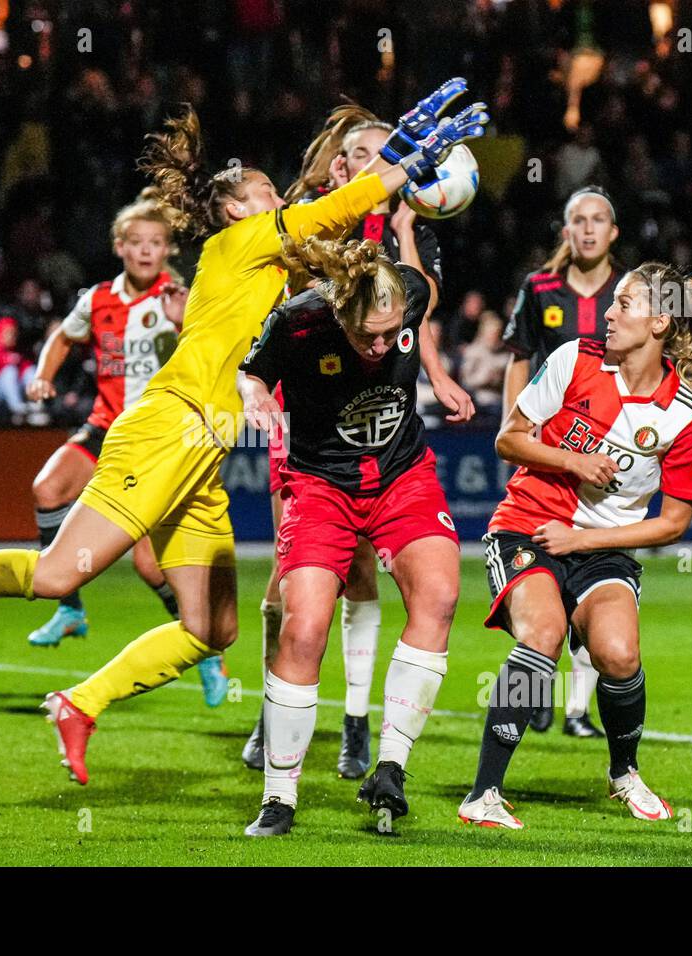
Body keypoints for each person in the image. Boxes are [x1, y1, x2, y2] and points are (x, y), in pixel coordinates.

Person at [0, 79, 489, 787]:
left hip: (204, 455)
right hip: (169, 429)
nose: (281, 202)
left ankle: (82, 703)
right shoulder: (240, 243)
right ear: (236, 209)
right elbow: (338, 205)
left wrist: (393, 175)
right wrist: (405, 159)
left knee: (211, 628)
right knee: (55, 577)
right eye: (267, 193)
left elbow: (368, 265)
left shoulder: (277, 264)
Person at [458, 262, 692, 828]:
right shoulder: (574, 359)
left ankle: (623, 773)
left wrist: (586, 538)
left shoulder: (685, 416)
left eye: (625, 304)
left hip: (599, 546)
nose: (609, 312)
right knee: (544, 635)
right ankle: (483, 793)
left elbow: (672, 524)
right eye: (613, 302)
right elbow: (509, 438)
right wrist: (572, 460)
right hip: (528, 527)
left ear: (660, 321)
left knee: (620, 655)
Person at [241, 102, 471, 778]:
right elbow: (294, 309)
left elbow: (412, 313)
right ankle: (273, 708)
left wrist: (436, 371)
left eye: (391, 154)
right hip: (303, 408)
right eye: (373, 154)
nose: (387, 166)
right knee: (294, 581)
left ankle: (356, 724)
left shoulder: (410, 232)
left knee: (366, 571)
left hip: (374, 417)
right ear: (343, 167)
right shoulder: (309, 218)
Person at [21, 194, 232, 705]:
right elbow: (63, 338)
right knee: (47, 488)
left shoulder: (182, 299)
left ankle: (205, 647)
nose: (145, 251)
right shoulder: (97, 299)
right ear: (119, 247)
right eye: (136, 243)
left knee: (150, 567)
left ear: (167, 250)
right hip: (105, 426)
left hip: (157, 441)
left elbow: (215, 351)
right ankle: (71, 609)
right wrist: (44, 376)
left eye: (155, 243)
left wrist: (185, 323)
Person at [502, 184, 622, 738]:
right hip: (547, 454)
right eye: (580, 220)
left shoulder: (631, 295)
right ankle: (535, 688)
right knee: (542, 586)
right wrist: (514, 431)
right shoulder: (540, 287)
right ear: (567, 230)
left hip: (605, 463)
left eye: (600, 220)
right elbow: (519, 360)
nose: (590, 229)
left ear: (613, 232)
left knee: (594, 583)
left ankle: (576, 709)